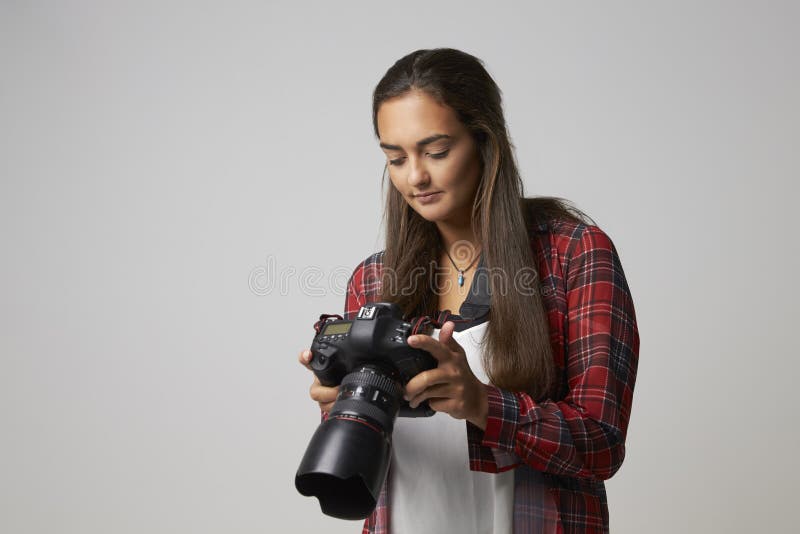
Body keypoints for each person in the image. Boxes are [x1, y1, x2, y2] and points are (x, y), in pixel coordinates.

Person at [298, 47, 640, 534]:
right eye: (395, 158)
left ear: (484, 141)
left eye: (436, 152)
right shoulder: (373, 281)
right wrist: (344, 401)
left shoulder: (575, 254)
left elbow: (601, 445)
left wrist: (481, 404)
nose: (415, 176)